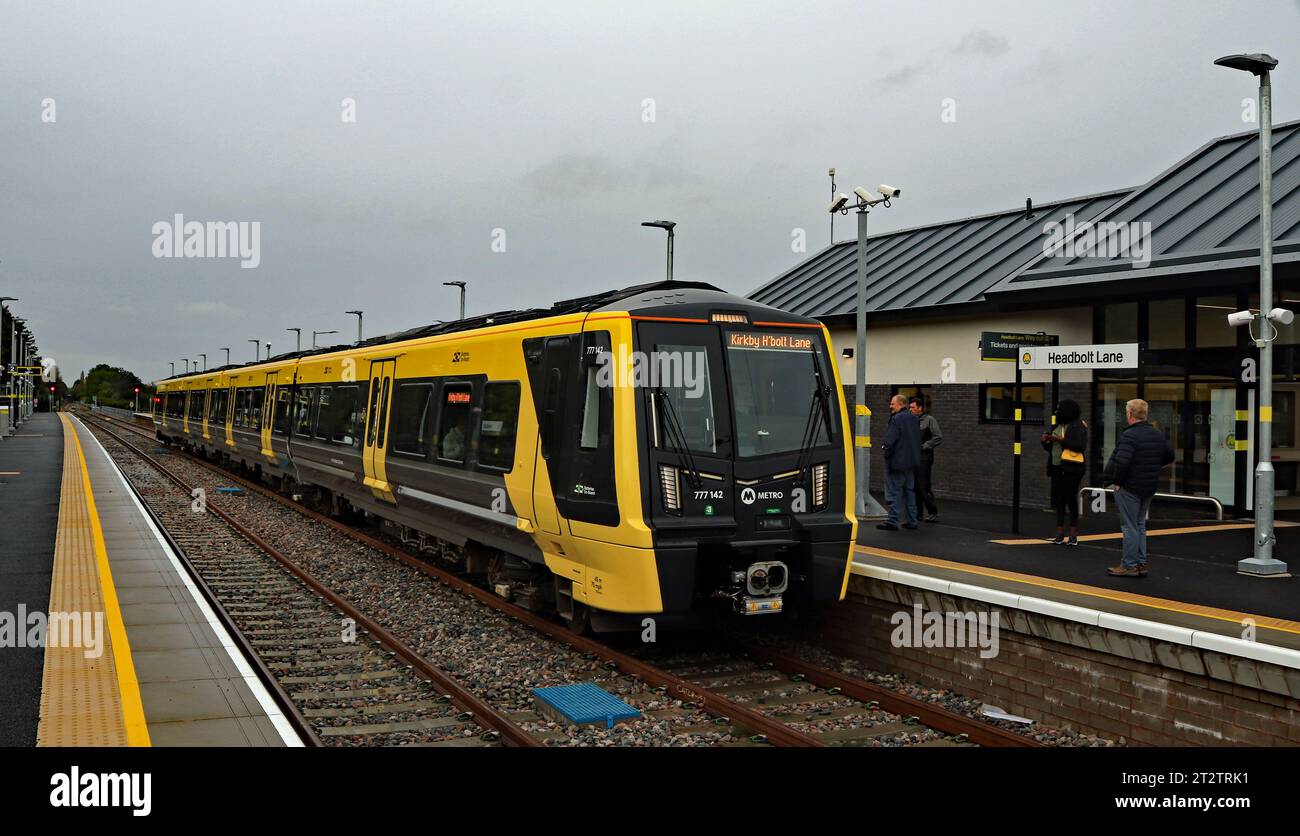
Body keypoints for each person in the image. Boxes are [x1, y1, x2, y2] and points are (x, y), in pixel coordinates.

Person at [1101, 398, 1175, 577]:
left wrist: (1117, 482)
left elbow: (1122, 461)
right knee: (1140, 524)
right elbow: (1169, 455)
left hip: (1130, 487)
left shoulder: (1130, 435)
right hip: (1148, 486)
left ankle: (1128, 565)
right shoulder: (1156, 434)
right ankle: (1140, 563)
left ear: (1129, 414)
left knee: (1129, 527)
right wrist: (1152, 466)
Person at [1040, 399, 1087, 546]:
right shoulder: (1058, 425)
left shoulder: (1078, 426)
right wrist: (1045, 441)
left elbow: (1080, 446)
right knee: (1059, 499)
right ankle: (1060, 533)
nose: (1056, 411)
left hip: (1072, 468)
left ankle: (1073, 534)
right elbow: (1052, 449)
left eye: (1059, 409)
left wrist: (1060, 439)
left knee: (1070, 498)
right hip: (1057, 466)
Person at [878, 394, 922, 531]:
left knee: (894, 491)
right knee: (909, 492)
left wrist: (885, 450)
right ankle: (912, 520)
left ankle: (892, 521)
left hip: (897, 461)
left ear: (900, 404)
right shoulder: (915, 418)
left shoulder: (896, 419)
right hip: (911, 461)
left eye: (892, 404)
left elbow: (890, 440)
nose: (890, 406)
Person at [908, 396, 942, 522]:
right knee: (914, 486)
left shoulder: (929, 420)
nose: (910, 409)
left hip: (925, 457)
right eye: (909, 407)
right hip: (913, 457)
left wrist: (925, 446)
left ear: (920, 408)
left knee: (923, 486)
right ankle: (918, 513)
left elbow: (938, 437)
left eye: (913, 407)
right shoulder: (911, 420)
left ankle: (933, 512)